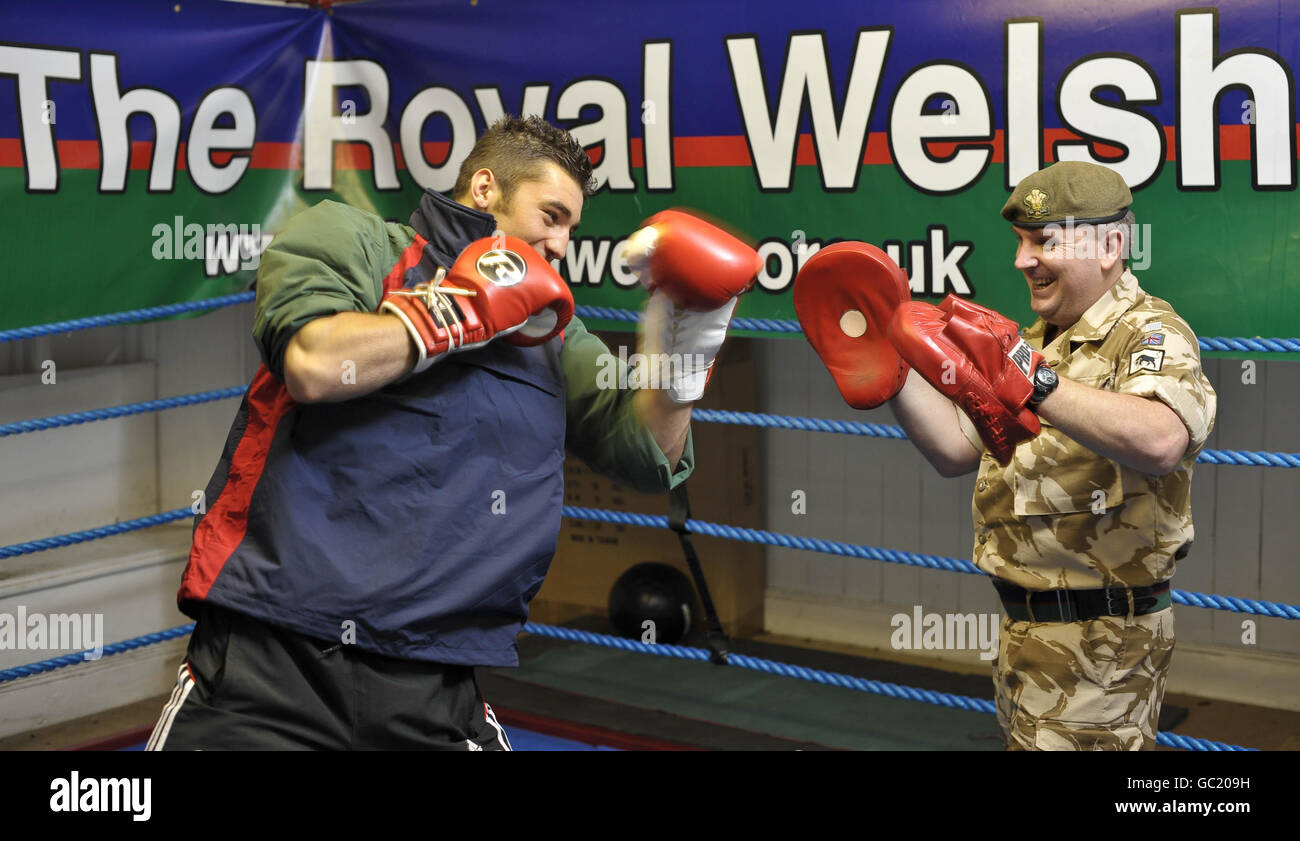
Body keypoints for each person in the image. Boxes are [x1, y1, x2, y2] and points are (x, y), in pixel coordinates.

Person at [147, 115, 759, 750]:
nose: (561, 245)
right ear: (487, 188)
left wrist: (684, 348)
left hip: (437, 684)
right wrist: (460, 308)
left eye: (572, 228)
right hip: (274, 667)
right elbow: (313, 363)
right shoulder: (356, 240)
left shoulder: (553, 334)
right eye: (551, 215)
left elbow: (650, 457)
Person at [797, 160, 1216, 750]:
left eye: (1044, 241)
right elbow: (953, 449)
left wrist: (1031, 380)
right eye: (1021, 243)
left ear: (1110, 245)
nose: (1023, 260)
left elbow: (1161, 440)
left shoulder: (1150, 334)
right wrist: (889, 366)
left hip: (1103, 643)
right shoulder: (1035, 342)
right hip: (1026, 634)